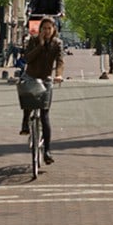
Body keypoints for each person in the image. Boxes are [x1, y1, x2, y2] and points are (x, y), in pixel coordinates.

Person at [19, 17, 65, 165]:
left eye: (49, 29)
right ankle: (25, 121)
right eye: (44, 28)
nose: (46, 31)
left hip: (46, 78)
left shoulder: (57, 43)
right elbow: (28, 59)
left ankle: (47, 151)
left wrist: (58, 74)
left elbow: (60, 60)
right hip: (31, 76)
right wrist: (40, 45)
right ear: (40, 30)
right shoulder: (33, 41)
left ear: (53, 30)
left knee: (45, 114)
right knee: (27, 98)